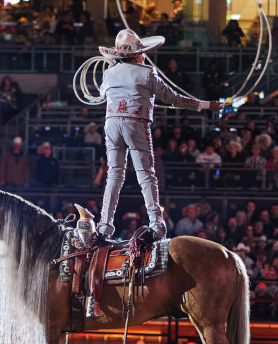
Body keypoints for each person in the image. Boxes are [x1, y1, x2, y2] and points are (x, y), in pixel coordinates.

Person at [92, 29, 220, 242]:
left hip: (112, 124)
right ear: (137, 54)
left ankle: (104, 224)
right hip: (136, 122)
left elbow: (101, 94)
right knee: (146, 174)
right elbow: (173, 98)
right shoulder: (147, 72)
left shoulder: (109, 72)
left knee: (115, 173)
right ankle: (156, 223)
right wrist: (205, 105)